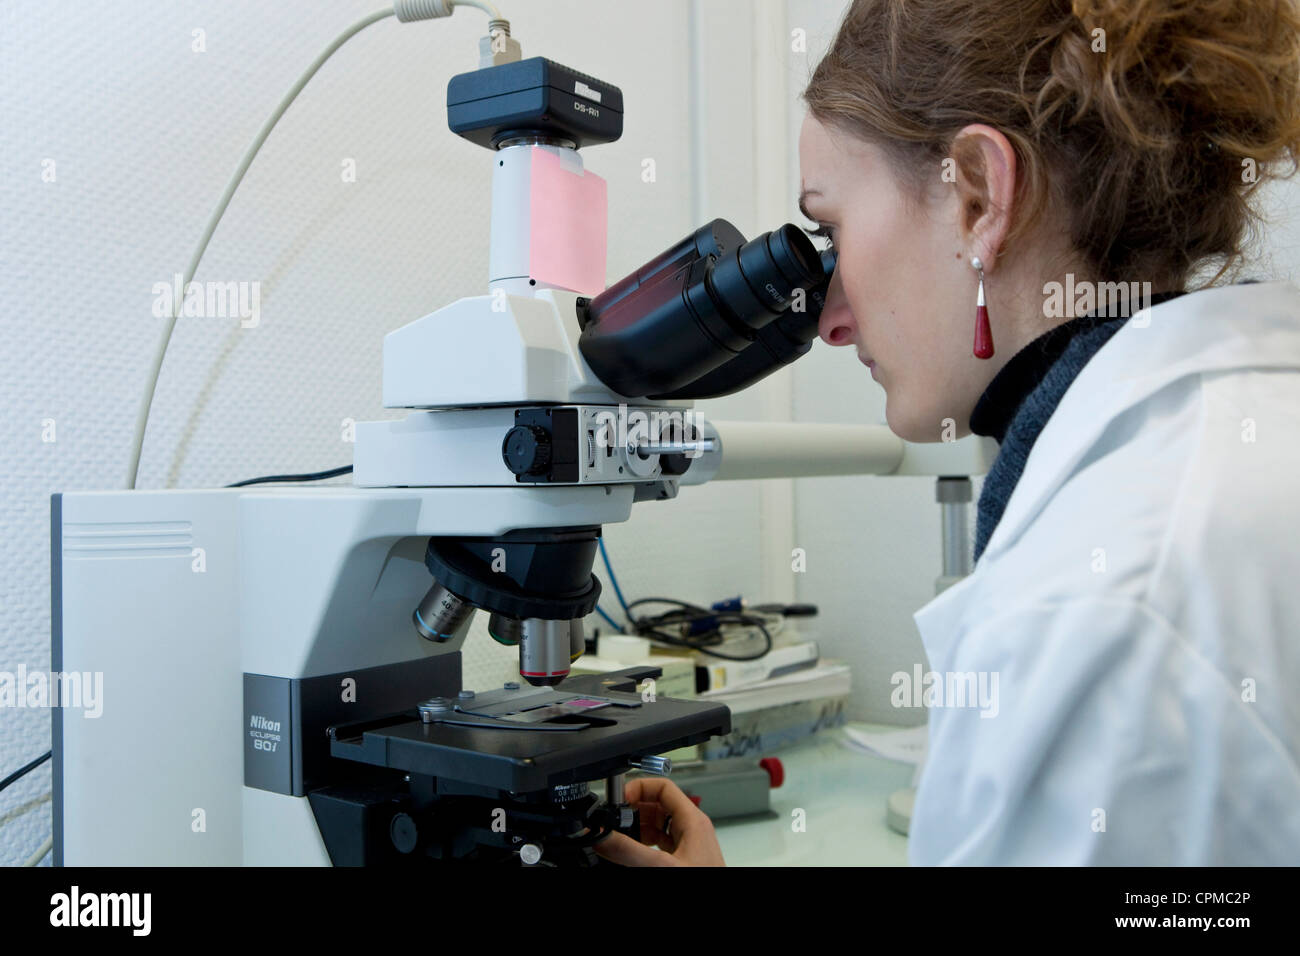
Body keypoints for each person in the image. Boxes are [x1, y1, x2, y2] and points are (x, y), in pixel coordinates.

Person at [595, 0, 1300, 866]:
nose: (829, 321)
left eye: (833, 229)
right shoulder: (1237, 431)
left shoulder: (1098, 606)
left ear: (976, 197)